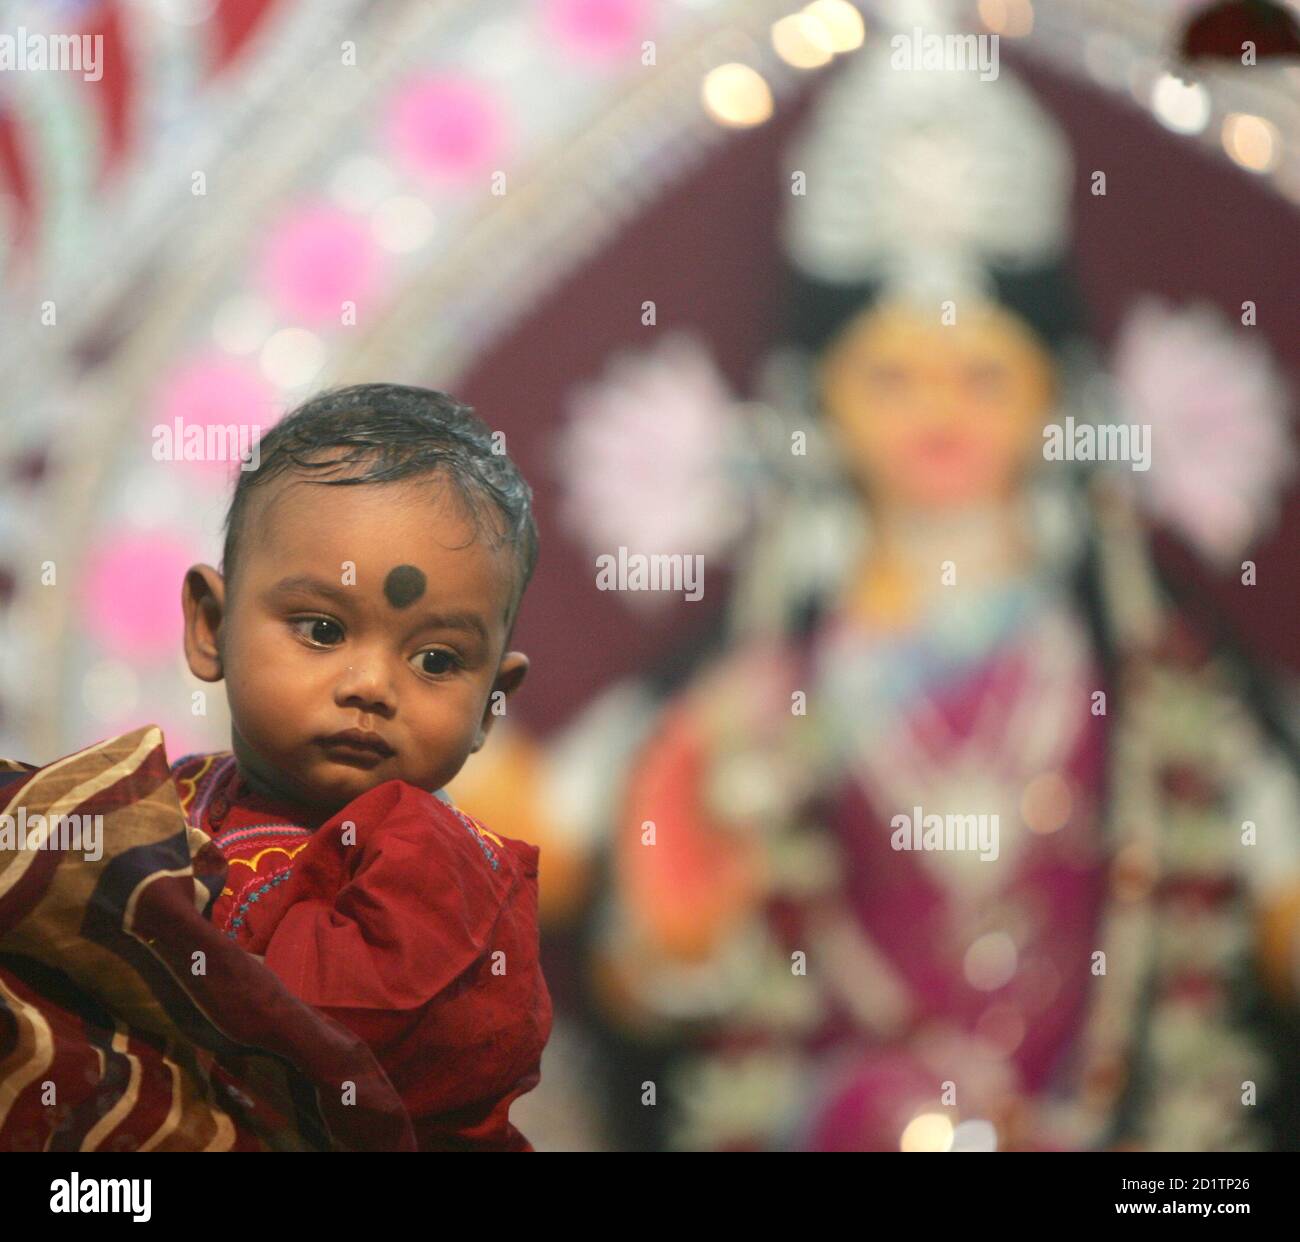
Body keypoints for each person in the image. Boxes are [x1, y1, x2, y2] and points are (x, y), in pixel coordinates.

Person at [170, 383, 553, 1151]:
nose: (371, 686)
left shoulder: (433, 870)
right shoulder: (176, 794)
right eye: (321, 629)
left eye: (436, 659)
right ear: (212, 626)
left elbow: (305, 1049)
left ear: (489, 704)